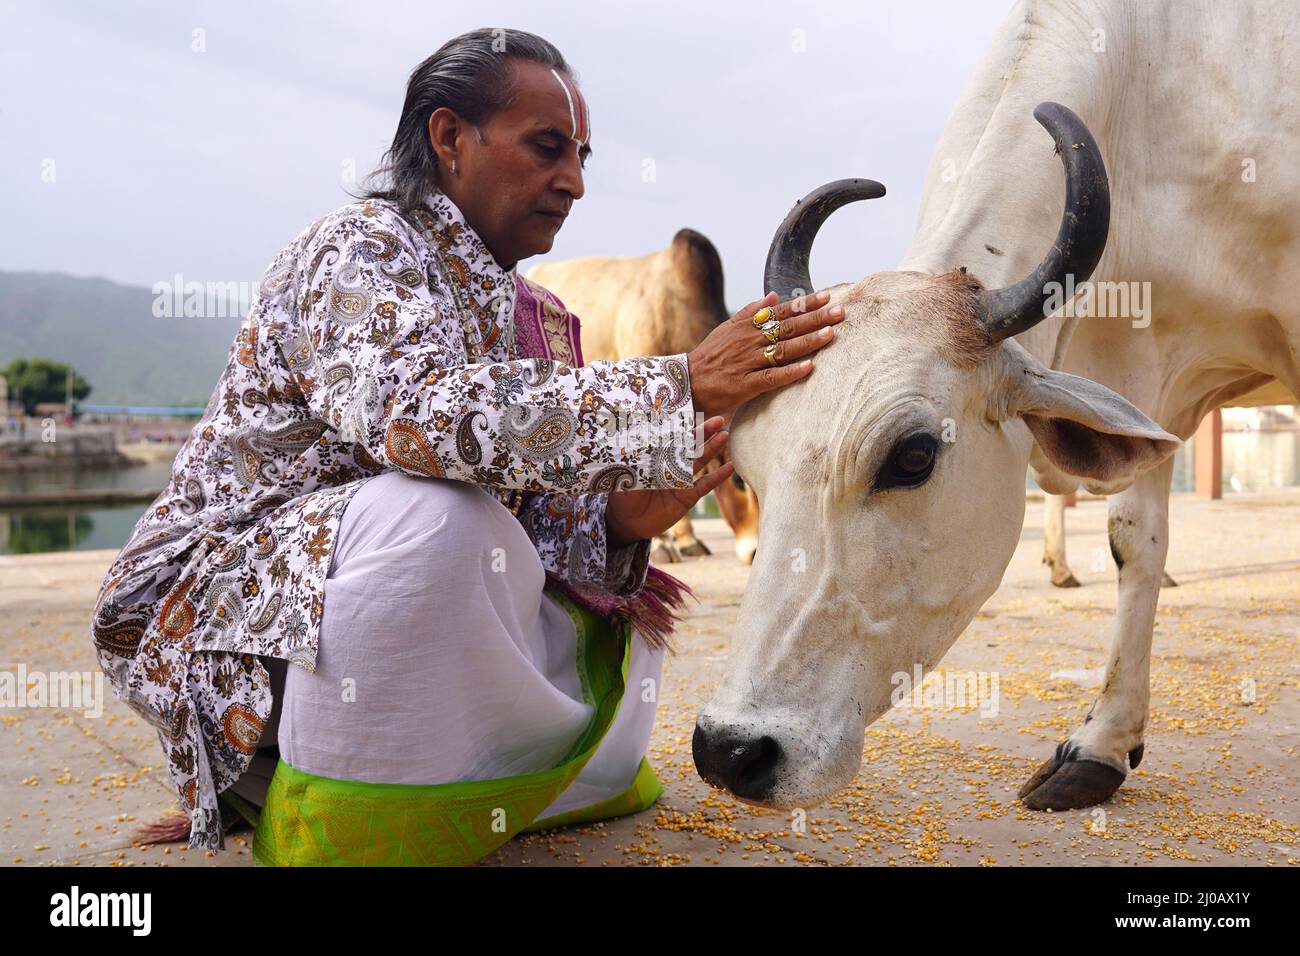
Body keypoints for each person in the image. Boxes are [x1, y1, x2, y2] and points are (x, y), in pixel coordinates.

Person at [91, 26, 843, 863]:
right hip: (219, 606)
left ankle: (462, 779)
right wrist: (682, 385)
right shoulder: (360, 248)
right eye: (548, 148)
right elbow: (420, 421)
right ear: (450, 138)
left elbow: (522, 529)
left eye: (583, 155)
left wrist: (620, 523)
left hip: (375, 608)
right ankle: (348, 793)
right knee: (439, 519)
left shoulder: (532, 312)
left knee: (618, 612)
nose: (576, 183)